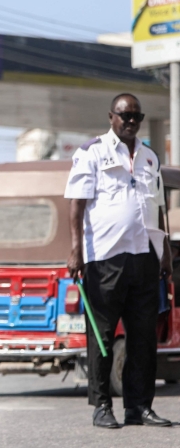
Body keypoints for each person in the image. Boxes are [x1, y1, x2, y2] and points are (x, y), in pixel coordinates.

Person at [65, 93, 172, 428]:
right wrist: (75, 250)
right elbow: (76, 204)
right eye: (125, 116)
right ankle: (102, 407)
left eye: (136, 117)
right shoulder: (92, 152)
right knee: (103, 336)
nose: (131, 122)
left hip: (144, 257)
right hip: (104, 259)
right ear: (111, 117)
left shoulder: (150, 157)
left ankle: (138, 406)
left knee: (143, 338)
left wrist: (165, 250)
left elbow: (159, 208)